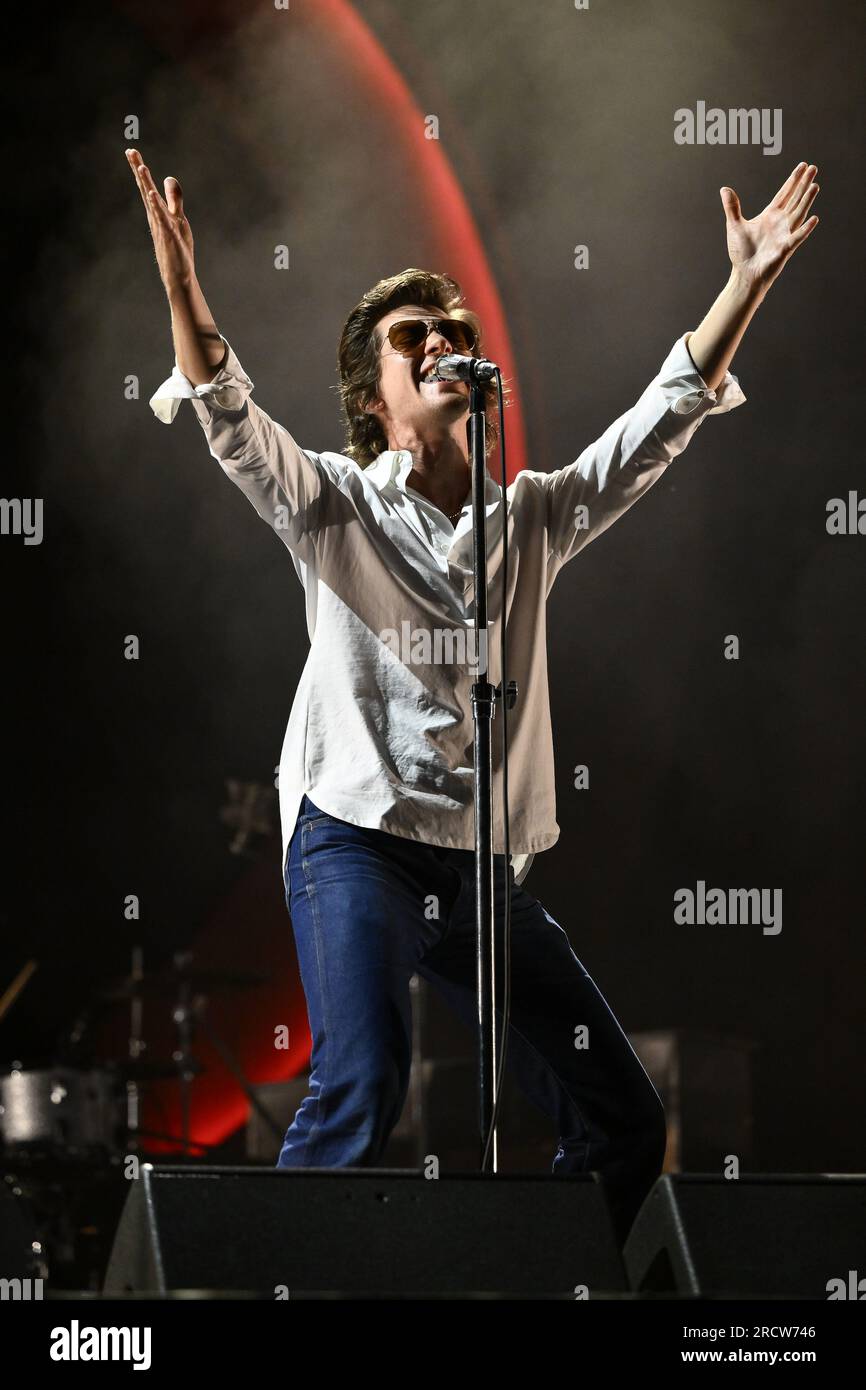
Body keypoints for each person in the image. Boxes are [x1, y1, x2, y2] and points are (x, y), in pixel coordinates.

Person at [127, 147, 819, 1247]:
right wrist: (180, 286)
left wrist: (744, 282)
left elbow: (659, 421)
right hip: (355, 836)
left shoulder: (531, 514)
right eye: (414, 336)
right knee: (361, 1084)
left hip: (476, 861)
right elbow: (225, 407)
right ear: (372, 393)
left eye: (451, 324)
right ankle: (262, 1293)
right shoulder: (332, 503)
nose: (443, 339)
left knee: (622, 1116)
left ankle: (545, 1282)